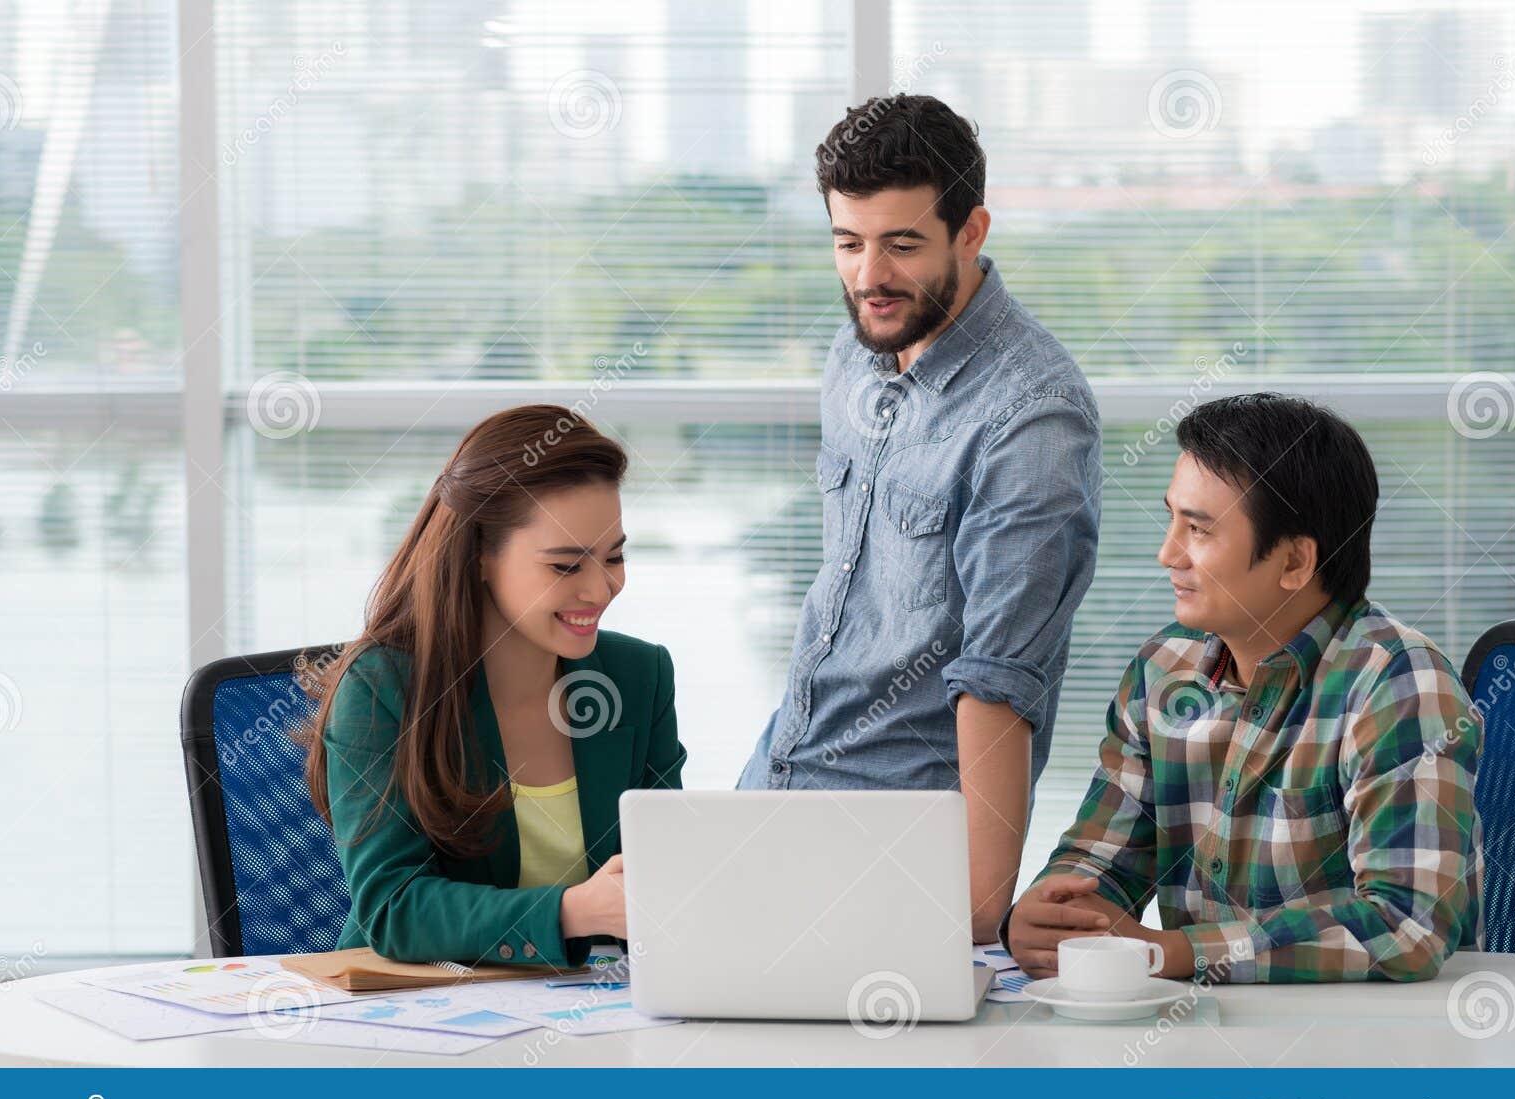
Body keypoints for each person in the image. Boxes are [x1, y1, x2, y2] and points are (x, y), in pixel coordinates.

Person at [738, 94, 1101, 943]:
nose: (869, 276)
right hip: (772, 792)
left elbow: (1000, 684)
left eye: (902, 245)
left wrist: (972, 918)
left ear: (971, 232)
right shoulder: (857, 349)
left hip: (894, 849)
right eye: (848, 242)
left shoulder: (1034, 419)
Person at [1007, 393, 1482, 983]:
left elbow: (1406, 925)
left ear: (1294, 562)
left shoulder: (1400, 683)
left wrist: (1174, 952)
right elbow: (1101, 862)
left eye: (1198, 530)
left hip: (1369, 1030)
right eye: (1171, 520)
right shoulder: (1163, 669)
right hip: (1204, 1021)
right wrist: (1052, 915)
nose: (1167, 554)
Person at [302, 405, 687, 965]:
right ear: (479, 554)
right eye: (565, 566)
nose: (602, 588)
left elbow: (664, 874)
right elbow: (393, 907)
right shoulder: (382, 687)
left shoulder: (639, 677)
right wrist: (573, 911)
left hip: (592, 1000)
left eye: (614, 556)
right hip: (416, 1001)